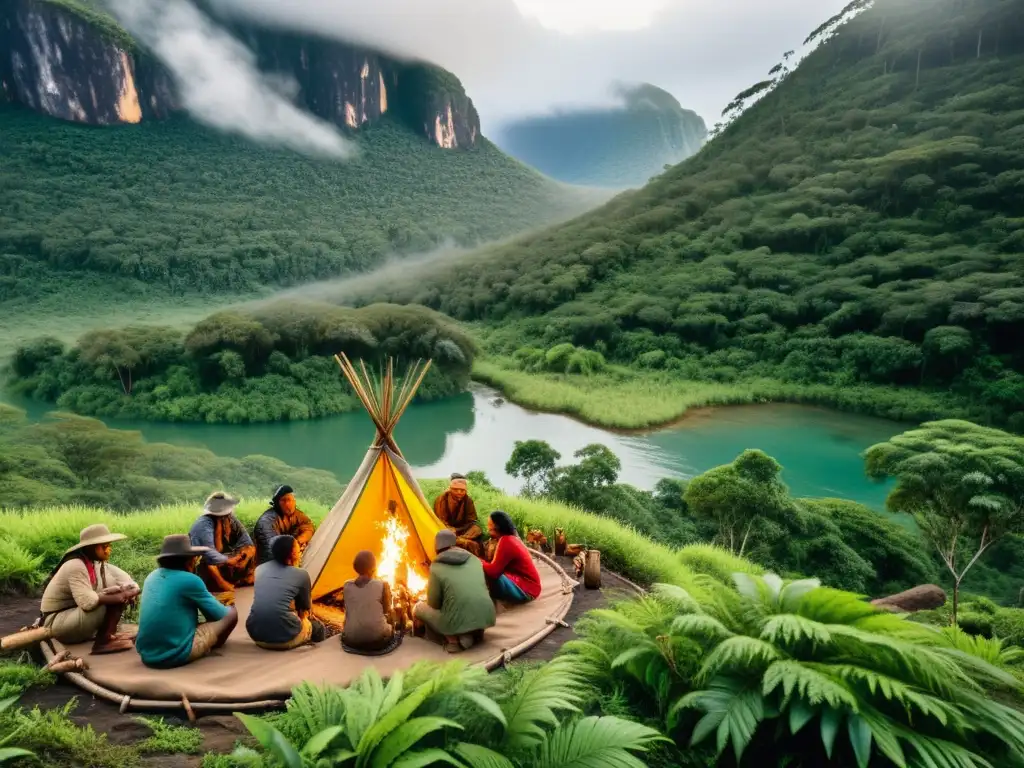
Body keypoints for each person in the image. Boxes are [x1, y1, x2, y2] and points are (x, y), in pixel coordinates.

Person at [135, 535, 239, 669]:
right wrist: (228, 605)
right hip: (174, 655)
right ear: (187, 561)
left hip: (147, 654)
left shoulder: (152, 576)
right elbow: (219, 615)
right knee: (231, 614)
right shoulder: (190, 580)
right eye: (195, 558)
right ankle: (214, 644)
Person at [38, 524, 139, 654]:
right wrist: (119, 596)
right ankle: (103, 642)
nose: (108, 550)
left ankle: (108, 636)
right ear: (91, 547)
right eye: (104, 547)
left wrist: (126, 590)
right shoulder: (75, 565)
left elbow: (121, 581)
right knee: (112, 600)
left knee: (115, 595)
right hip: (55, 622)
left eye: (109, 546)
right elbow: (87, 602)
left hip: (71, 616)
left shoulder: (92, 563)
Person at [413, 530, 495, 653]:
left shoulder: (436, 567)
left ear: (437, 548)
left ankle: (454, 641)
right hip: (487, 615)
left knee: (419, 608)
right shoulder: (474, 560)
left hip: (455, 620)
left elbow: (433, 604)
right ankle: (472, 633)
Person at [246, 535, 326, 650]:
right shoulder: (301, 574)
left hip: (256, 636)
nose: (300, 552)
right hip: (284, 640)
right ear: (292, 554)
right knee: (318, 627)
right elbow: (304, 612)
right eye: (299, 549)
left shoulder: (260, 569)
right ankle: (317, 654)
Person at [189, 491, 256, 602]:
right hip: (205, 564)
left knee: (251, 551)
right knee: (209, 562)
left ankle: (240, 579)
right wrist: (230, 561)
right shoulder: (204, 524)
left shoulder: (230, 519)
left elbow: (247, 542)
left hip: (225, 560)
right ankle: (221, 583)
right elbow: (211, 555)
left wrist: (242, 556)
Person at [340, 550, 400, 653]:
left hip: (351, 640)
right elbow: (386, 610)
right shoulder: (382, 585)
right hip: (377, 640)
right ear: (373, 568)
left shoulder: (346, 586)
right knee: (391, 616)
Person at [481, 511, 542, 604]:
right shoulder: (511, 538)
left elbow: (494, 572)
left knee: (490, 575)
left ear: (496, 526)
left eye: (489, 524)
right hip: (531, 587)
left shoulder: (506, 540)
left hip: (528, 590)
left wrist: (477, 560)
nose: (487, 526)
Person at [253, 485, 315, 566]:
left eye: (291, 499)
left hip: (289, 558)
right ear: (277, 503)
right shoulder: (266, 522)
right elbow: (272, 548)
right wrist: (293, 549)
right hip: (268, 566)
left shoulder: (296, 515)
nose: (288, 503)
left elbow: (308, 527)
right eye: (284, 500)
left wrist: (298, 541)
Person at [433, 474, 484, 557]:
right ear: (450, 489)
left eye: (462, 490)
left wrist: (458, 529)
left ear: (465, 490)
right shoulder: (442, 499)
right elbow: (441, 520)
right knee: (446, 532)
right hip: (446, 527)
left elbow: (471, 520)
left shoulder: (468, 500)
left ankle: (460, 539)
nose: (459, 493)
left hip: (462, 529)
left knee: (476, 529)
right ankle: (458, 540)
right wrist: (450, 529)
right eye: (456, 490)